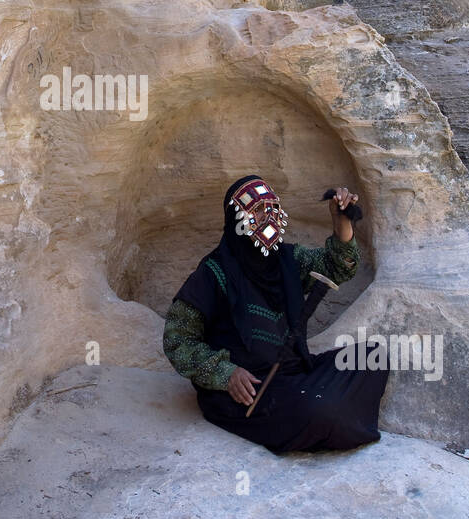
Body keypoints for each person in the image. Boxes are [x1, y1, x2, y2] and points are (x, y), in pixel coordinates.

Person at [162, 174, 388, 452]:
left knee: (373, 357)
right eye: (257, 210)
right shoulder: (213, 273)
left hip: (294, 371)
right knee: (319, 411)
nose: (268, 216)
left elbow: (337, 266)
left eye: (272, 207)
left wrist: (341, 220)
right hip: (250, 391)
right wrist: (225, 373)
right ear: (238, 218)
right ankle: (323, 414)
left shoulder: (287, 260)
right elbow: (177, 341)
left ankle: (324, 411)